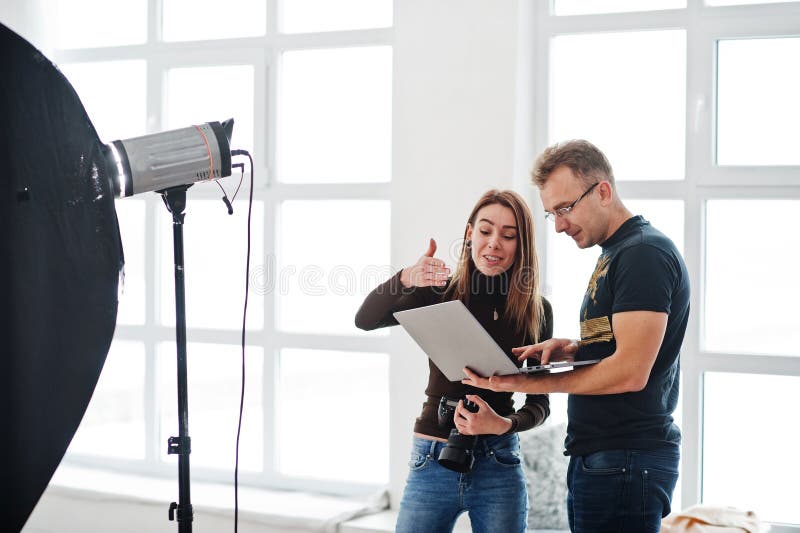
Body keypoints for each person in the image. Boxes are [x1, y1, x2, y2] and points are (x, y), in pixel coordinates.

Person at [463, 140, 690, 533]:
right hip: (606, 458)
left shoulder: (643, 255)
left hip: (625, 459)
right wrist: (570, 348)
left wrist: (526, 381)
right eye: (552, 214)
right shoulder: (616, 253)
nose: (561, 224)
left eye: (565, 208)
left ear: (603, 191)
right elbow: (617, 345)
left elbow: (630, 372)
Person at [355, 189, 553, 533]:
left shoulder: (536, 311)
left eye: (508, 236)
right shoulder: (438, 290)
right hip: (432, 455)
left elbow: (540, 402)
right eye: (485, 231)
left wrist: (504, 424)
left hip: (499, 461)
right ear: (469, 234)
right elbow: (365, 319)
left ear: (521, 246)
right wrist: (405, 277)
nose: (494, 244)